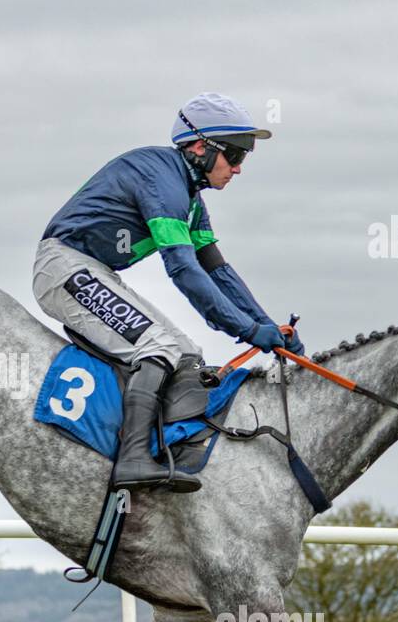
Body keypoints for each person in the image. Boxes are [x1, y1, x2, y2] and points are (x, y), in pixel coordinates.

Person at [34, 92, 303, 492]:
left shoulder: (190, 199)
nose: (239, 168)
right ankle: (132, 460)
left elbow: (218, 272)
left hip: (93, 269)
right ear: (199, 147)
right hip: (64, 267)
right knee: (157, 346)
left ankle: (159, 447)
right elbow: (184, 271)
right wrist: (248, 331)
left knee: (185, 353)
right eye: (235, 155)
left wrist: (266, 326)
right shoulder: (162, 181)